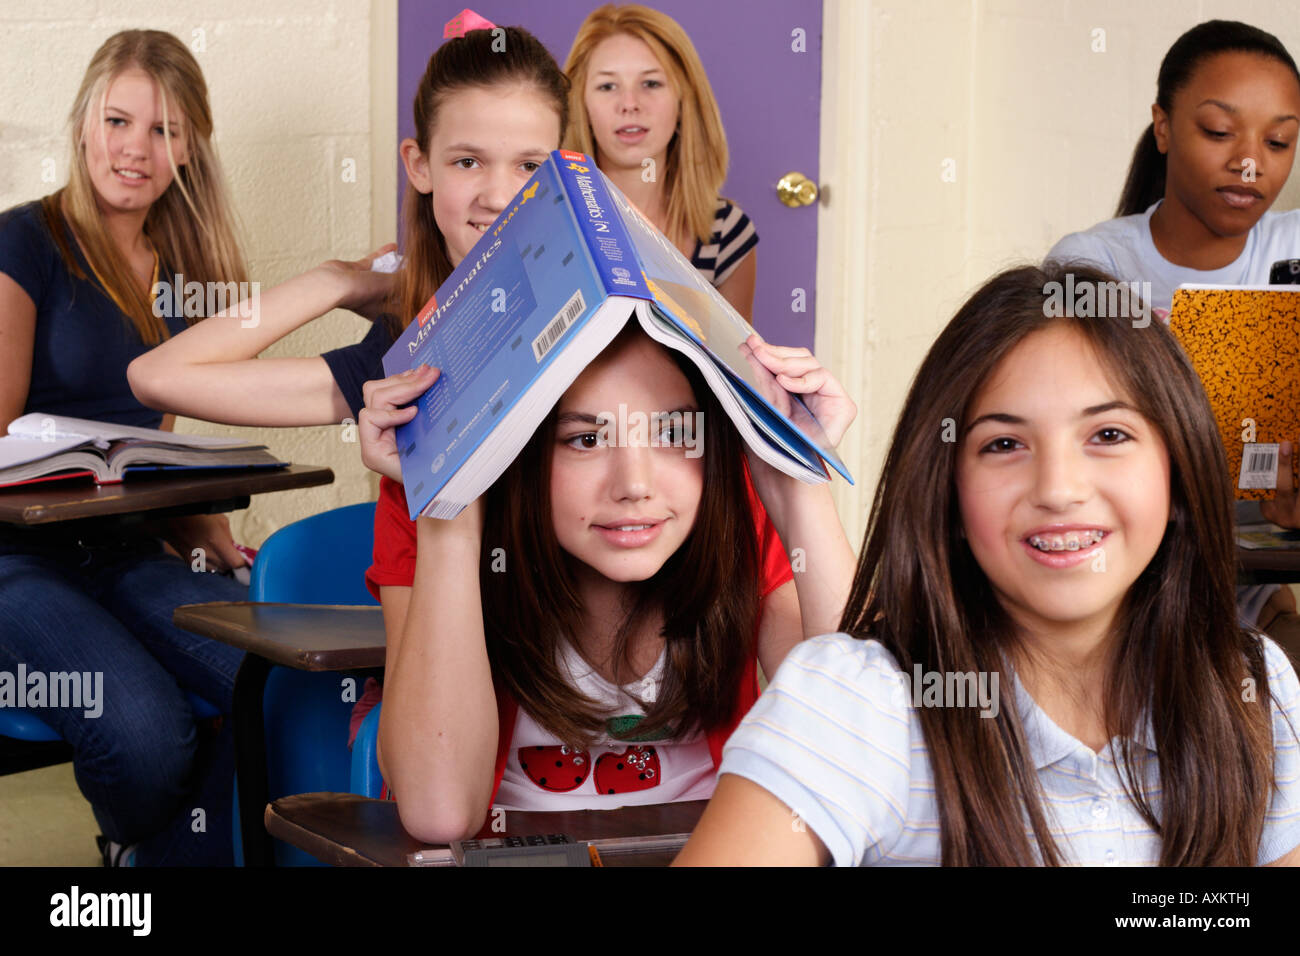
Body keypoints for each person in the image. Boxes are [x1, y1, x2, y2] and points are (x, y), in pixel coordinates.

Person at [675, 264, 1300, 866]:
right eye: (1004, 444)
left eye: (1108, 435)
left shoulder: (1253, 687)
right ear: (948, 490)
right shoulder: (860, 702)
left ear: (1178, 469)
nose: (1058, 489)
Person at [359, 322, 856, 841]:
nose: (635, 486)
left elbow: (868, 750)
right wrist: (448, 505)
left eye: (672, 434)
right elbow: (440, 813)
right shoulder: (435, 505)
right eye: (587, 439)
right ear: (518, 448)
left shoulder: (736, 502)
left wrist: (802, 483)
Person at [0, 30, 251, 865]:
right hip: (14, 559)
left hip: (126, 548)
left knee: (274, 681)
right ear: (83, 124)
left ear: (190, 149)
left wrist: (197, 528)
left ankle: (180, 855)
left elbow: (148, 454)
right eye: (119, 120)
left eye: (165, 131)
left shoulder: (185, 271)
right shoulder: (23, 243)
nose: (136, 149)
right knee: (146, 735)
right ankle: (134, 858)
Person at [126, 22, 567, 431]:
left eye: (529, 166)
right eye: (467, 162)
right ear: (420, 166)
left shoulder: (603, 304)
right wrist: (336, 283)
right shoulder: (404, 346)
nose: (497, 197)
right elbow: (156, 376)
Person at [1046, 20, 1300, 648]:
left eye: (1279, 142)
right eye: (1218, 131)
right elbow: (1068, 433)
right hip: (1128, 582)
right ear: (1163, 126)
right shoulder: (1092, 265)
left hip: (1258, 574)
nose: (1249, 162)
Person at [563, 4, 758, 319]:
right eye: (607, 86)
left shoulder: (726, 232)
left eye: (651, 83)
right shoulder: (548, 218)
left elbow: (738, 366)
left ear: (684, 101)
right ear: (581, 104)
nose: (629, 104)